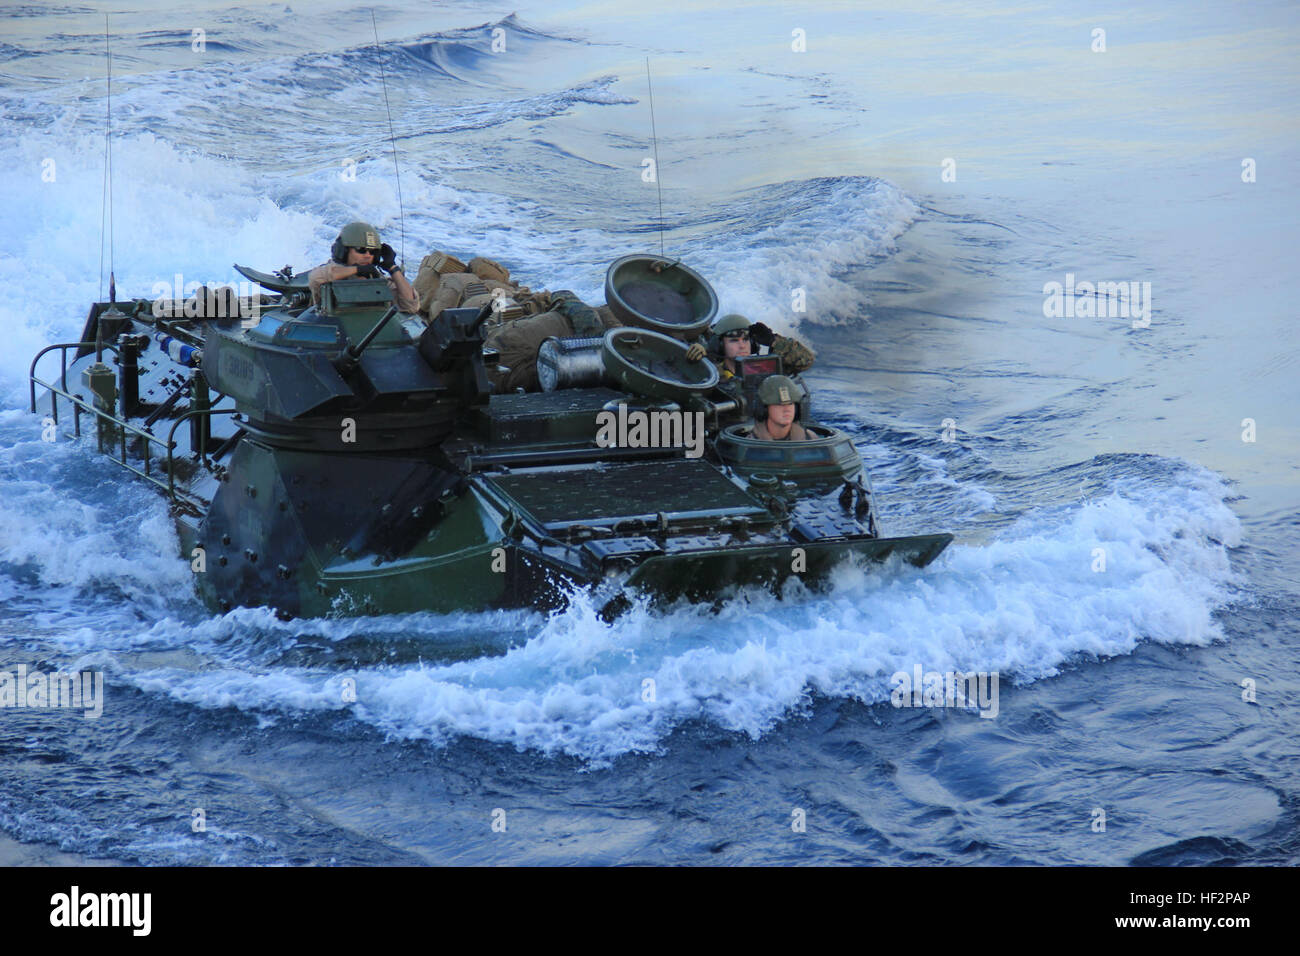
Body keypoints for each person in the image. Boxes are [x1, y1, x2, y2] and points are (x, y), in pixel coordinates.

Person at [307, 221, 420, 314]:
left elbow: (410, 306)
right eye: (360, 249)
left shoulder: (375, 278)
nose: (367, 255)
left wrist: (393, 268)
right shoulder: (330, 272)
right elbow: (315, 278)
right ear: (344, 251)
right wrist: (357, 270)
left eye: (372, 252)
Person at [707, 313, 814, 382]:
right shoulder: (711, 374)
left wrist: (773, 341)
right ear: (720, 346)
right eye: (734, 340)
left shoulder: (764, 369)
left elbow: (806, 360)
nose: (742, 345)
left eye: (746, 339)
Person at [752, 374, 810, 441]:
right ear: (764, 410)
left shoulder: (810, 439)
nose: (787, 409)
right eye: (779, 405)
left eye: (790, 404)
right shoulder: (749, 446)